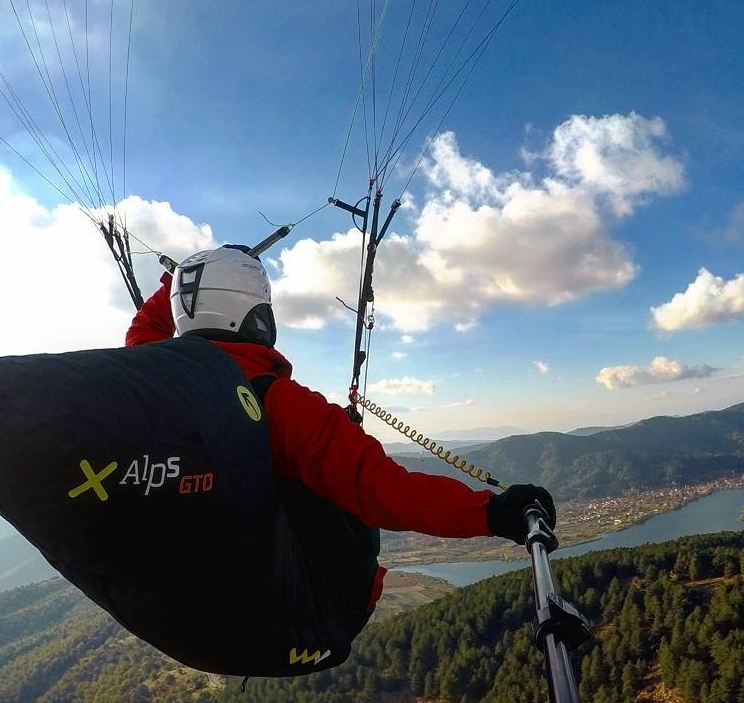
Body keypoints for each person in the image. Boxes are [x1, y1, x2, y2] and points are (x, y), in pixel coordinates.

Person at [126, 244, 555, 613]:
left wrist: (179, 283)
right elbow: (383, 489)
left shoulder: (148, 380)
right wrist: (490, 512)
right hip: (288, 600)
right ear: (253, 314)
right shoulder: (278, 402)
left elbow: (144, 331)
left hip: (195, 593)